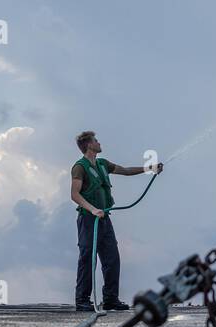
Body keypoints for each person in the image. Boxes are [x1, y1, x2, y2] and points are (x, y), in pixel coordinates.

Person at [70, 130, 163, 312]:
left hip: (104, 220)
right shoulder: (79, 167)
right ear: (89, 145)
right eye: (96, 141)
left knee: (112, 259)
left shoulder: (103, 164)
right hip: (89, 220)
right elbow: (74, 194)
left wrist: (149, 169)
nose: (99, 142)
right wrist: (93, 209)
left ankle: (111, 299)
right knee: (87, 260)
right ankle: (82, 300)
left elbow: (125, 171)